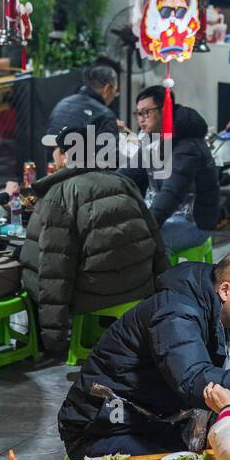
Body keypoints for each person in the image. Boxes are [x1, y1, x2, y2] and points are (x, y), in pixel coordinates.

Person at [57, 251, 230, 459]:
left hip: (158, 419)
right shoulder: (175, 312)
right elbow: (193, 379)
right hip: (104, 426)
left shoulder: (227, 314)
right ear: (226, 290)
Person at [22, 127, 168, 350]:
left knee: (26, 262)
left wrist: (54, 335)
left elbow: (56, 268)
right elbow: (155, 239)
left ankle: (33, 342)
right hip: (139, 284)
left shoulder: (60, 194)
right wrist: (165, 289)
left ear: (65, 155)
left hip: (93, 292)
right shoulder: (123, 182)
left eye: (56, 149)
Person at [120, 86, 219, 252]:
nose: (141, 119)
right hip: (161, 215)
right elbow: (127, 174)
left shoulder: (187, 145)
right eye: (138, 113)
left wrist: (145, 228)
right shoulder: (151, 139)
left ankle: (161, 278)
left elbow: (171, 194)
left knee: (137, 245)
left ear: (165, 110)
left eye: (147, 112)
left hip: (192, 223)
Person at [45, 62, 122, 137]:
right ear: (107, 89)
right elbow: (110, 150)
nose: (115, 95)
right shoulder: (105, 116)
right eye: (115, 91)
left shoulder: (62, 104)